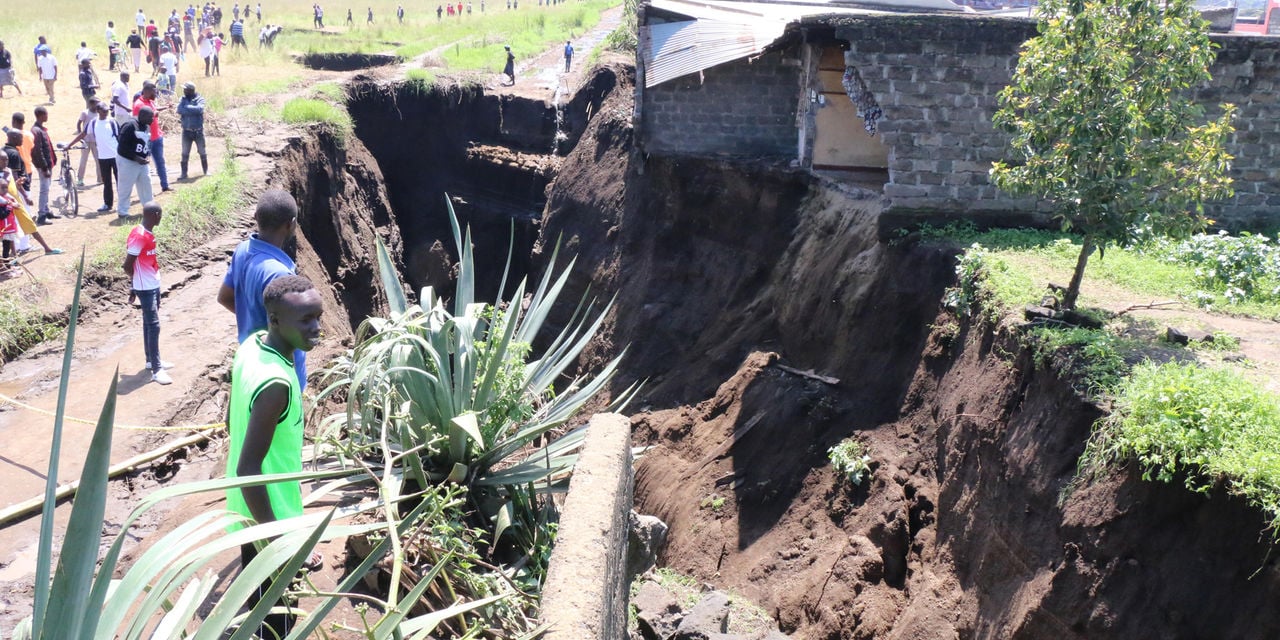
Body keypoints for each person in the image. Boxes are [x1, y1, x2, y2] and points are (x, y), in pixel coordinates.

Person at [225, 274, 324, 639]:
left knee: (262, 605)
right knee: (278, 621)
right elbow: (248, 467)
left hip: (250, 508)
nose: (315, 327)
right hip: (268, 514)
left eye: (318, 316)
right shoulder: (276, 385)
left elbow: (231, 417)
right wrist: (279, 540)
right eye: (305, 320)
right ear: (275, 319)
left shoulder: (251, 348)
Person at [217, 189, 308, 387]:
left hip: (250, 363)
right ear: (290, 224)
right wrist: (291, 386)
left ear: (256, 216)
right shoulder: (279, 274)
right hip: (277, 378)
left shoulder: (242, 251)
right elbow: (286, 339)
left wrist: (251, 316)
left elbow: (224, 297)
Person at [123, 201, 172, 385]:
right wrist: (135, 284)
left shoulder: (147, 234)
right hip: (145, 287)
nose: (161, 218)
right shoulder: (139, 236)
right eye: (161, 215)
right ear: (156, 215)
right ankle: (157, 370)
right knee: (154, 326)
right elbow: (128, 265)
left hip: (152, 283)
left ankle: (151, 361)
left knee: (148, 324)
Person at [1, 132, 62, 255]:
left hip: (16, 203)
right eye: (3, 160)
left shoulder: (8, 170)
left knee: (29, 224)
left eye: (6, 160)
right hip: (5, 206)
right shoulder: (3, 174)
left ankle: (47, 248)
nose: (6, 162)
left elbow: (12, 185)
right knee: (8, 233)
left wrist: (19, 185)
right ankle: (11, 258)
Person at [66, 101, 117, 212]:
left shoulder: (113, 122)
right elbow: (83, 134)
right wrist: (69, 145)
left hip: (115, 157)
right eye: (104, 111)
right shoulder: (93, 123)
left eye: (107, 111)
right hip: (103, 158)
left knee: (120, 181)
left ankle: (123, 204)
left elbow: (120, 138)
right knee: (107, 183)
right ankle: (108, 204)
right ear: (98, 111)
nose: (106, 113)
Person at [115, 105, 154, 217]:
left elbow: (146, 143)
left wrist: (147, 156)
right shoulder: (129, 126)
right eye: (150, 117)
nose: (152, 119)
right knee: (125, 187)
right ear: (142, 116)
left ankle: (149, 209)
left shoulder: (146, 126)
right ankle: (122, 212)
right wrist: (136, 158)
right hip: (128, 162)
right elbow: (122, 147)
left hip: (142, 162)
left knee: (146, 184)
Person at [133, 82, 171, 192]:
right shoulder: (138, 105)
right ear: (147, 91)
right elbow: (136, 122)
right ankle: (145, 191)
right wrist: (153, 115)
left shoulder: (150, 101)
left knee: (160, 162)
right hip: (146, 140)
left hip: (157, 137)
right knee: (143, 165)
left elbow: (154, 109)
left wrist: (165, 107)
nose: (156, 94)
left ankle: (165, 186)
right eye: (154, 92)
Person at [29, 107, 58, 225]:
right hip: (43, 165)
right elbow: (38, 151)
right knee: (44, 189)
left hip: (47, 163)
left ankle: (46, 211)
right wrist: (45, 168)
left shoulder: (40, 129)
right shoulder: (36, 130)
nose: (47, 116)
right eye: (46, 114)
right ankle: (41, 215)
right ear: (41, 115)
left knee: (47, 188)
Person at [69, 97, 102, 187]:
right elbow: (79, 123)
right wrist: (80, 134)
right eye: (96, 103)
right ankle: (80, 179)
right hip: (86, 140)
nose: (98, 105)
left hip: (95, 140)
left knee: (98, 160)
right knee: (83, 160)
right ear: (91, 104)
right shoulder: (85, 113)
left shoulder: (99, 113)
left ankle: (100, 179)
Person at [177, 83, 206, 179]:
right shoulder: (182, 99)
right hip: (186, 131)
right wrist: (191, 109)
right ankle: (184, 174)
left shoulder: (200, 99)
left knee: (202, 152)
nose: (184, 91)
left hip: (198, 131)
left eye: (185, 90)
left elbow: (200, 109)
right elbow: (179, 110)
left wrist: (187, 107)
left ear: (191, 90)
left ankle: (205, 171)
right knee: (185, 153)